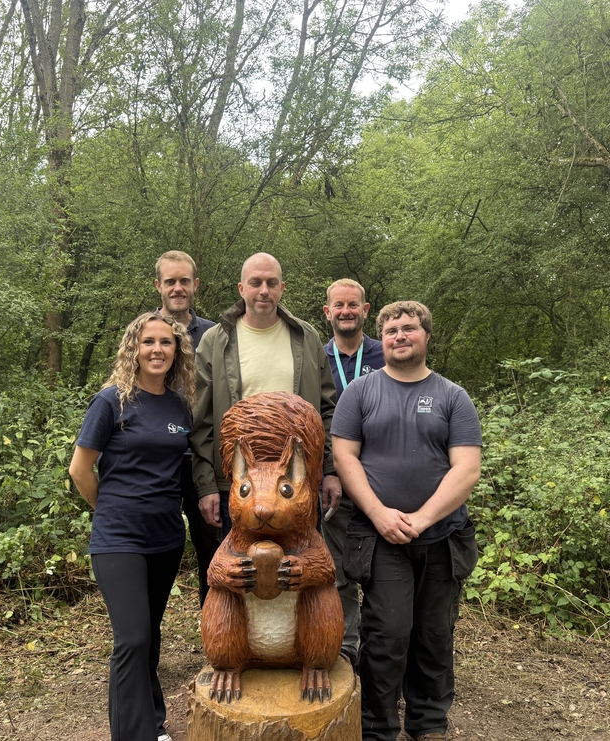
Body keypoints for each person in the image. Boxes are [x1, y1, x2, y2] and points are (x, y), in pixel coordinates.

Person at [331, 301, 482, 741]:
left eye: (409, 328)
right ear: (383, 338)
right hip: (378, 539)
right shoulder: (359, 392)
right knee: (387, 635)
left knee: (435, 635)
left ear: (426, 336)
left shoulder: (453, 396)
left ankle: (428, 724)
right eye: (392, 329)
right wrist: (379, 514)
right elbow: (344, 457)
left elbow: (466, 469)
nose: (400, 335)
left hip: (443, 536)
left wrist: (421, 517)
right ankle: (378, 728)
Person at [68, 312, 195, 741]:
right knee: (133, 638)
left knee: (150, 635)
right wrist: (109, 508)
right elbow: (80, 469)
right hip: (119, 537)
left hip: (166, 537)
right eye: (148, 342)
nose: (157, 349)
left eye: (166, 342)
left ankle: (153, 722)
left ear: (177, 351)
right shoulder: (111, 401)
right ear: (133, 350)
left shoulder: (180, 406)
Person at [190, 252, 342, 536]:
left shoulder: (306, 337)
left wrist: (330, 470)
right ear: (241, 288)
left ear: (282, 288)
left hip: (298, 485)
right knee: (241, 574)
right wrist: (207, 485)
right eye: (256, 282)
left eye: (272, 283)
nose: (264, 290)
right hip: (238, 485)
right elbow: (201, 421)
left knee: (300, 572)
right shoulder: (214, 342)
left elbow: (327, 411)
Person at [322, 278, 386, 665]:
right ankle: (346, 645)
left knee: (384, 568)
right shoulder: (315, 358)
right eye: (338, 305)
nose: (346, 311)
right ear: (327, 312)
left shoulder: (388, 352)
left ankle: (380, 647)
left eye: (353, 305)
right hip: (335, 481)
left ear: (365, 310)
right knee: (339, 566)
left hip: (382, 479)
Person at [154, 250, 221, 606]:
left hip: (201, 457)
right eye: (170, 282)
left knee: (213, 546)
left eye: (184, 281)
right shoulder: (144, 333)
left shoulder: (214, 334)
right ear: (158, 286)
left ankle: (217, 636)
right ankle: (145, 646)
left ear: (195, 285)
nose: (177, 288)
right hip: (157, 457)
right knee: (155, 551)